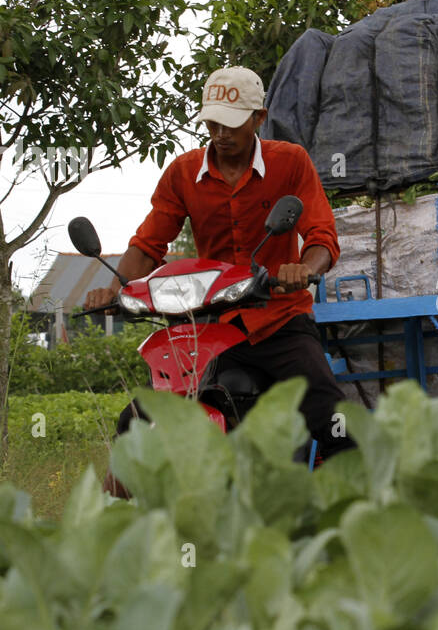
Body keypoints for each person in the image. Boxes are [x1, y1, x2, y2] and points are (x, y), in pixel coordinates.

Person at [83, 66, 354, 479]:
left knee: (330, 415)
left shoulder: (290, 163)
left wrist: (305, 268)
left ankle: (346, 508)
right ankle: (117, 512)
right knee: (138, 416)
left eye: (230, 124)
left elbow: (321, 234)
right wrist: (115, 290)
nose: (220, 133)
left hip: (279, 319)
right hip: (210, 326)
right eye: (212, 123)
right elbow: (148, 244)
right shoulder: (182, 173)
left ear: (258, 118)